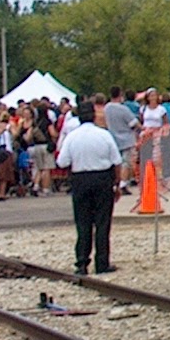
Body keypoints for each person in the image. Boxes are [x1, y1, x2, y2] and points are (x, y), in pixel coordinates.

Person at [55, 100, 122, 275]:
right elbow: (116, 161)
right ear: (93, 115)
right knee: (102, 222)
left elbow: (62, 162)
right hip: (102, 179)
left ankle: (82, 262)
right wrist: (117, 184)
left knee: (83, 223)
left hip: (80, 179)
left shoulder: (72, 137)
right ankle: (102, 263)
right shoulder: (104, 135)